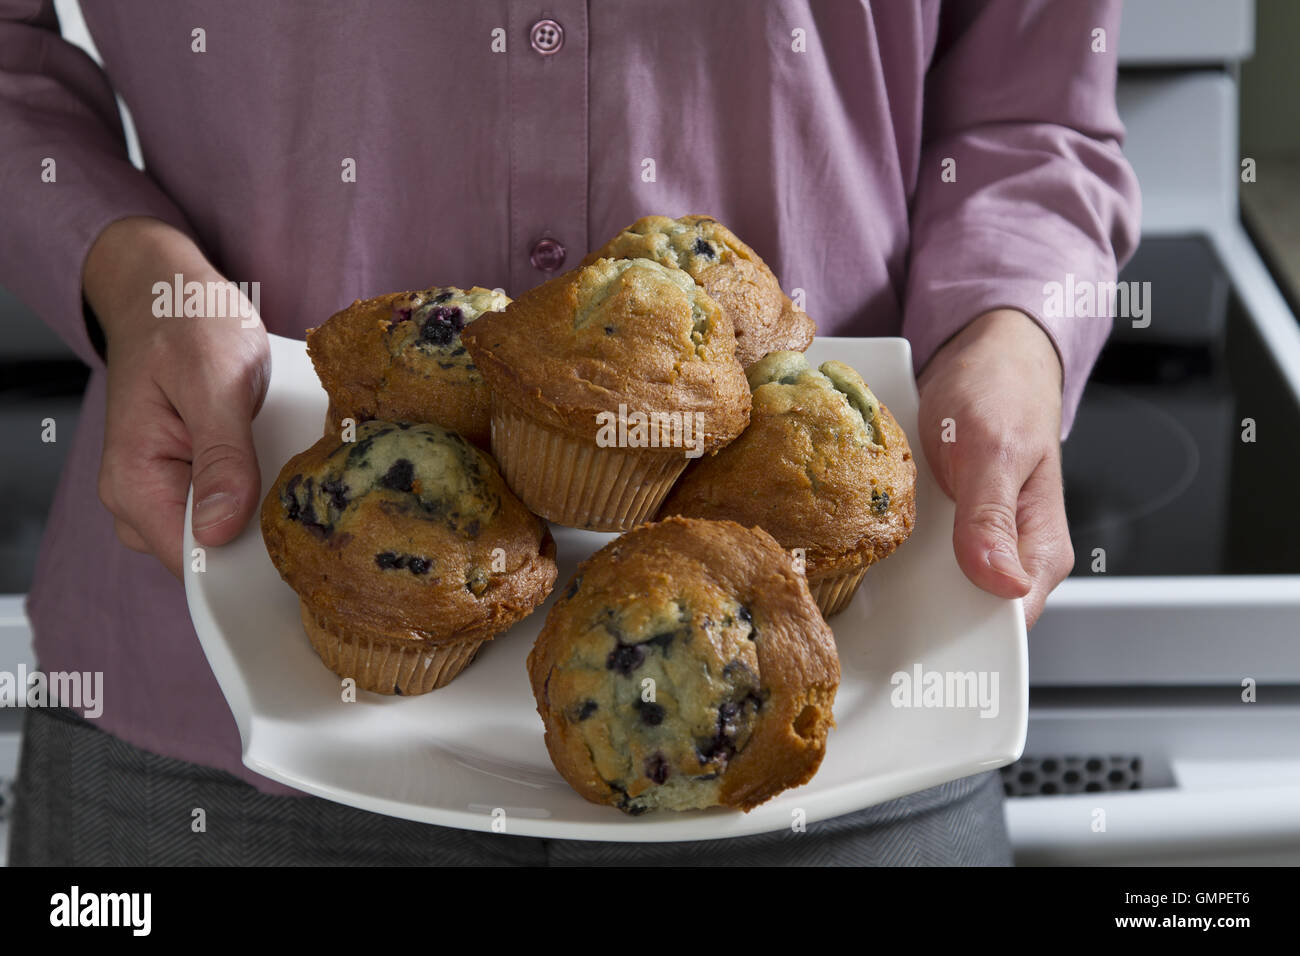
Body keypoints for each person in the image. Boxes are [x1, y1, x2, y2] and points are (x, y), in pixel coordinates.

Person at [0, 0, 1138, 866]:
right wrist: (132, 273)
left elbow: (1033, 111)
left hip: (854, 735)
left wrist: (1013, 334)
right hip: (214, 721)